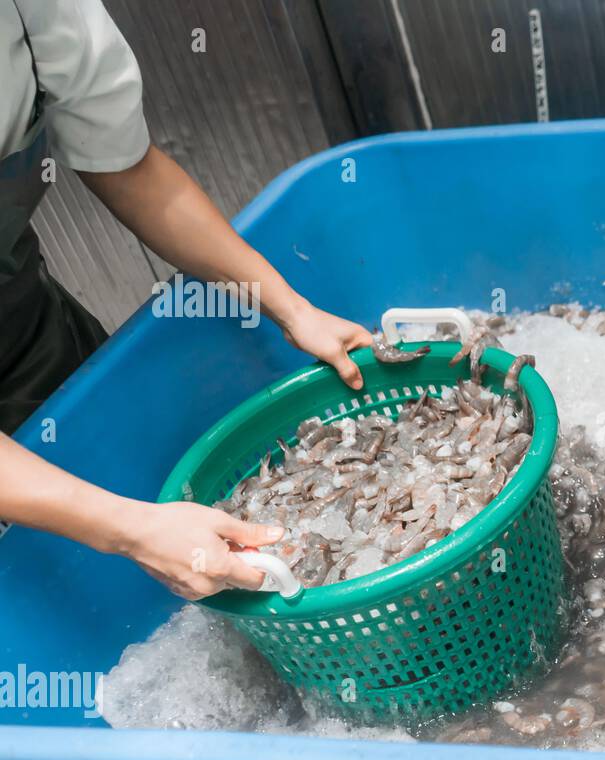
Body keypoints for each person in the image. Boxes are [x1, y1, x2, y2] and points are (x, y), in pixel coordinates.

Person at [0, 0, 372, 599]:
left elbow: (127, 169)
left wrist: (291, 309)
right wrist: (133, 531)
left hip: (23, 323)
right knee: (42, 595)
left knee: (146, 541)